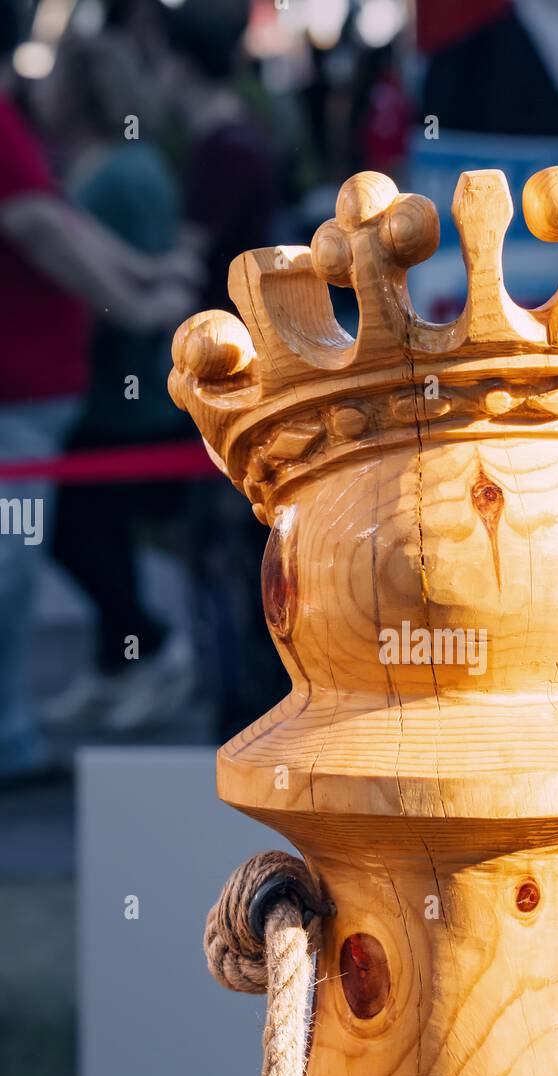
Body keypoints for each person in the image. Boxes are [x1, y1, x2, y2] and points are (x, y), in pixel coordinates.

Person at [0, 0, 196, 785]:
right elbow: (41, 223)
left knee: (25, 566)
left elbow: (45, 222)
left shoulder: (91, 160)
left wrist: (140, 290)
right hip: (29, 395)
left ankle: (22, 727)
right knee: (19, 566)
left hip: (44, 397)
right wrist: (141, 289)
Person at [153, 0, 288, 741]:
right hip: (236, 363)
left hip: (222, 375)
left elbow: (181, 270)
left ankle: (246, 705)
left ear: (178, 65)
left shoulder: (223, 148)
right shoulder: (243, 135)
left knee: (230, 555)